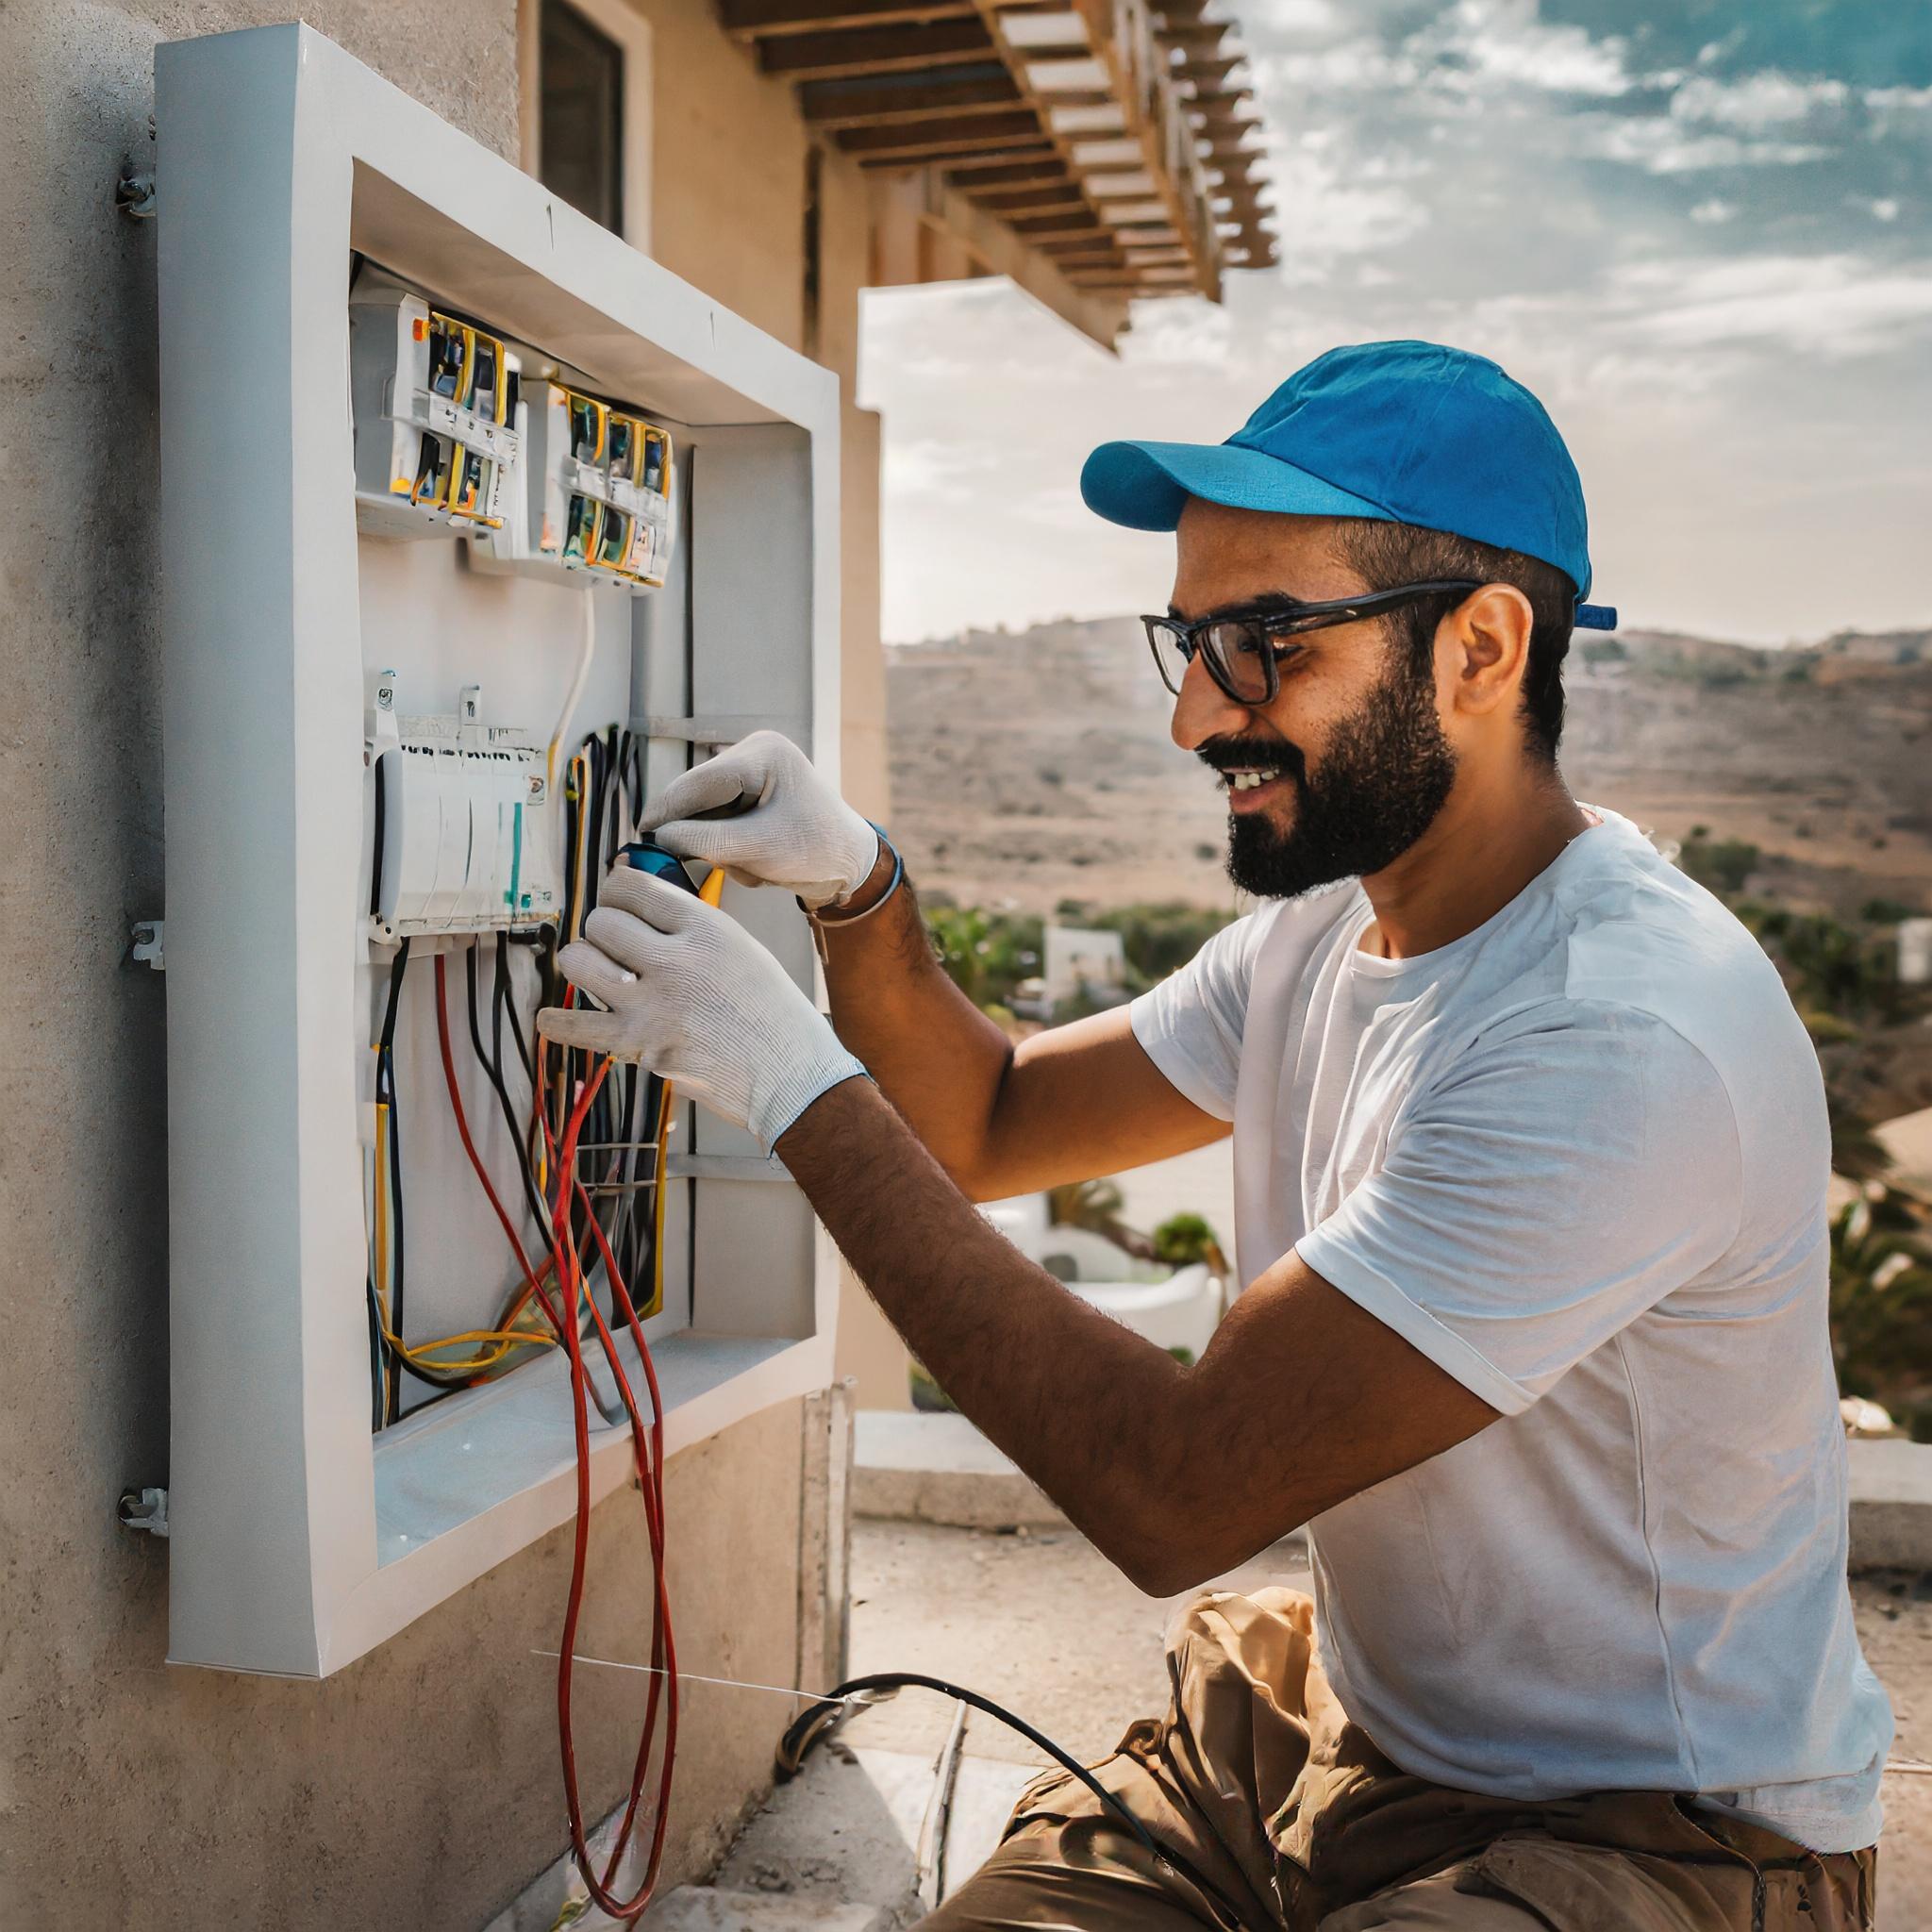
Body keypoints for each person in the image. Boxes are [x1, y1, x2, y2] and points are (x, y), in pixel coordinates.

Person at [538, 341, 1889, 1929]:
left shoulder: (1616, 1033)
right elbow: (989, 1119)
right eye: (1187, 641)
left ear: (1483, 647)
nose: (1195, 715)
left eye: (1264, 644)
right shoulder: (1324, 938)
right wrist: (858, 890)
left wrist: (790, 1086)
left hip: (1655, 1832)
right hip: (1335, 1736)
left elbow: (1171, 1492)